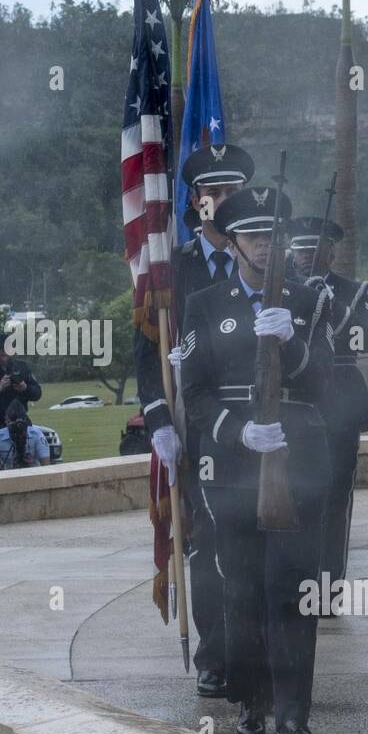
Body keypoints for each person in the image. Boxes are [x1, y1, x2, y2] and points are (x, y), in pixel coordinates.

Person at [179, 186, 334, 734]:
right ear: (233, 243)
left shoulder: (309, 300)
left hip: (298, 465)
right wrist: (236, 430)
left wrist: (292, 343)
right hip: (234, 469)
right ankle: (251, 703)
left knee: (292, 592)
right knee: (241, 590)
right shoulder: (205, 304)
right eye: (254, 236)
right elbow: (193, 395)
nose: (267, 246)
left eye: (275, 235)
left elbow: (326, 382)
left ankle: (294, 718)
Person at [133, 142, 257, 698]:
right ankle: (216, 655)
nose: (223, 201)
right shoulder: (172, 268)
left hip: (258, 425)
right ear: (196, 201)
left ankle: (260, 654)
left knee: (259, 541)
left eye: (233, 191)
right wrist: (161, 418)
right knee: (207, 547)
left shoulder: (259, 258)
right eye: (214, 193)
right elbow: (145, 351)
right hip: (193, 422)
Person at [289, 218, 368, 587]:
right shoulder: (282, 288)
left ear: (331, 250)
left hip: (341, 401)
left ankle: (329, 581)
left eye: (314, 249)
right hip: (297, 401)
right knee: (295, 491)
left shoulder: (355, 291)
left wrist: (329, 304)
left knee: (336, 494)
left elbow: (363, 340)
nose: (306, 257)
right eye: (300, 249)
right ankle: (296, 576)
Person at [0, 334, 42, 437]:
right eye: (0, 355)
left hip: (20, 421)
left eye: (6, 355)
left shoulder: (21, 367)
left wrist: (25, 388)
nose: (3, 359)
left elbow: (37, 393)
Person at [0, 400, 50, 470]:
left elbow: (46, 465)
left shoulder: (37, 435)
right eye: (13, 425)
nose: (17, 428)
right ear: (6, 421)